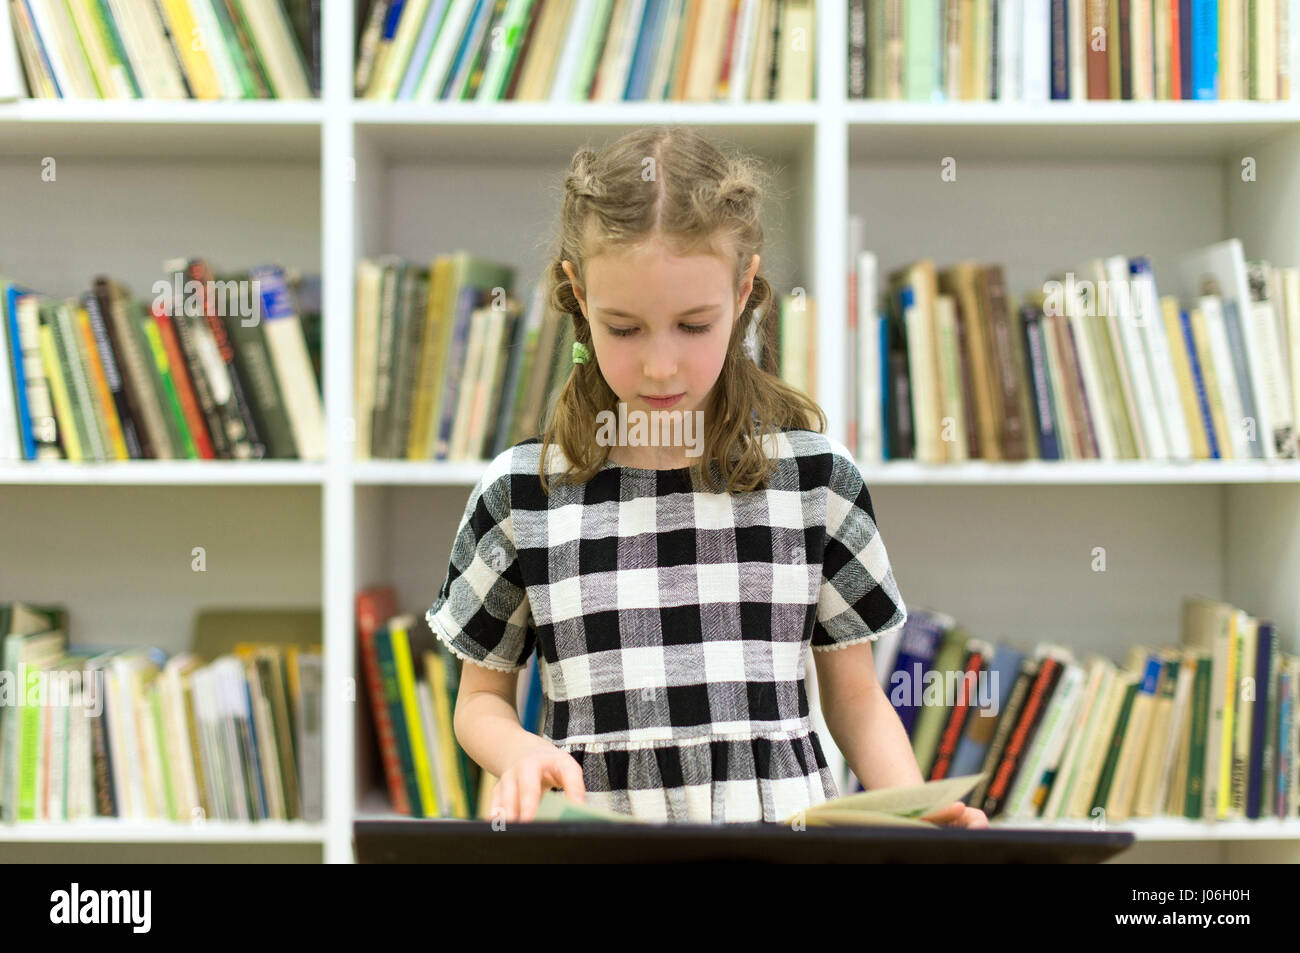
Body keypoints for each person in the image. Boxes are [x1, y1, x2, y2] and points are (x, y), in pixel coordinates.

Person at [427, 126, 988, 828]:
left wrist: (914, 819)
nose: (660, 366)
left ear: (743, 287)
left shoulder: (817, 484)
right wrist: (518, 751)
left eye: (693, 324)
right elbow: (480, 701)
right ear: (577, 292)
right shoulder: (520, 496)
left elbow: (856, 699)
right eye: (624, 328)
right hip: (604, 842)